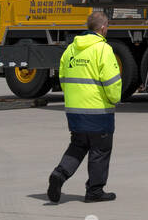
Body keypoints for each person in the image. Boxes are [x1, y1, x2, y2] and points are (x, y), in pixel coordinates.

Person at [47, 11, 122, 203]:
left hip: (74, 111)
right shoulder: (103, 50)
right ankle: (95, 191)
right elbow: (112, 82)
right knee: (100, 150)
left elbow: (63, 79)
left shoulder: (70, 50)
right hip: (98, 112)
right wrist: (114, 99)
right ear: (103, 28)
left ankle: (59, 174)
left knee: (78, 145)